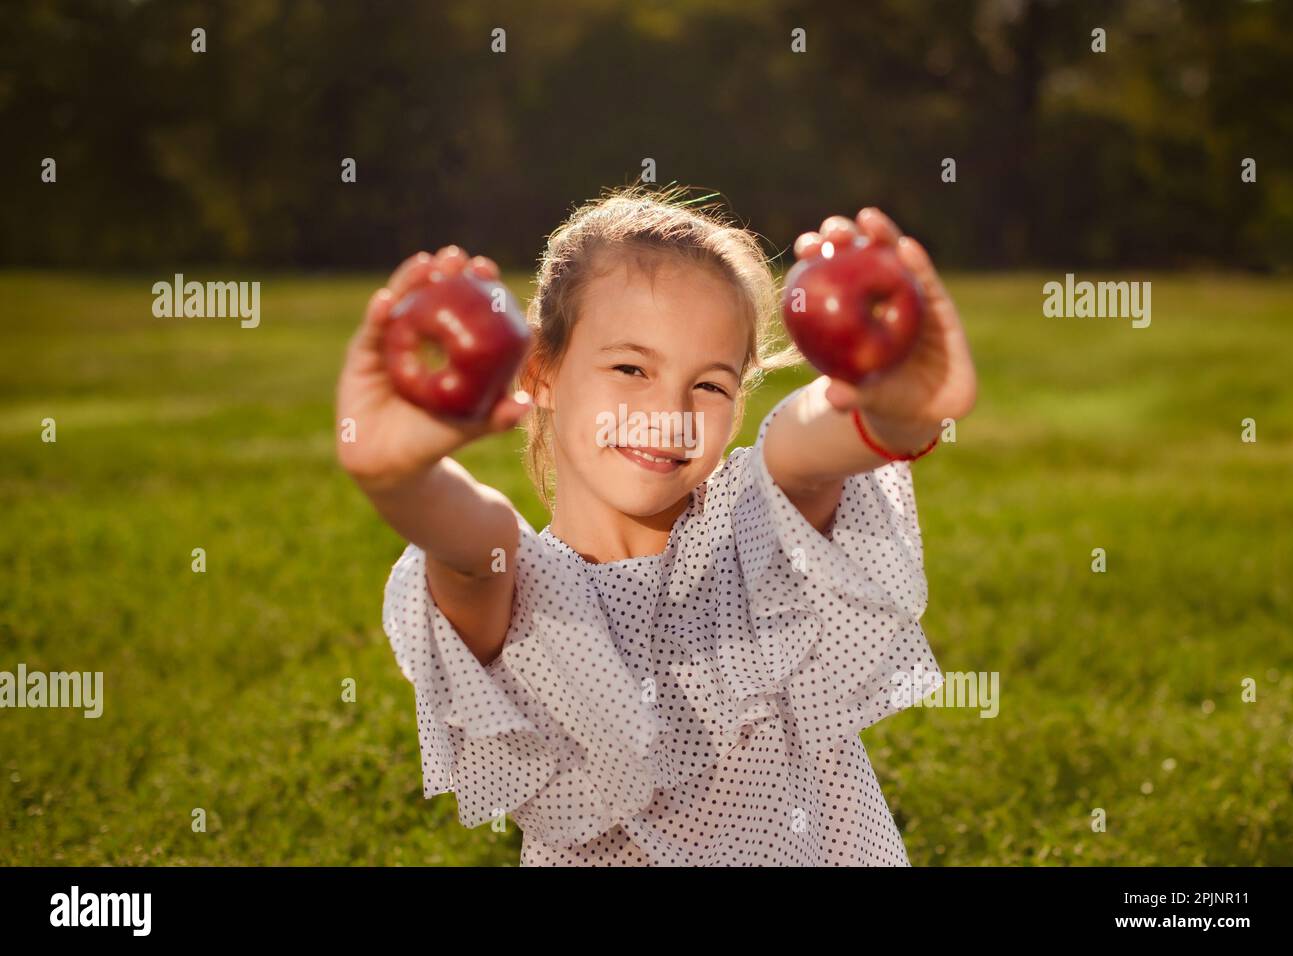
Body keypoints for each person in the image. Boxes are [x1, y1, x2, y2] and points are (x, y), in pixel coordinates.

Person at [335, 185, 978, 865]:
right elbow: (472, 542)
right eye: (630, 367)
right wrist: (395, 478)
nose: (669, 410)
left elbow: (803, 445)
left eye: (710, 385)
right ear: (541, 372)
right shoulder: (527, 595)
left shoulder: (756, 537)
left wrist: (898, 408)